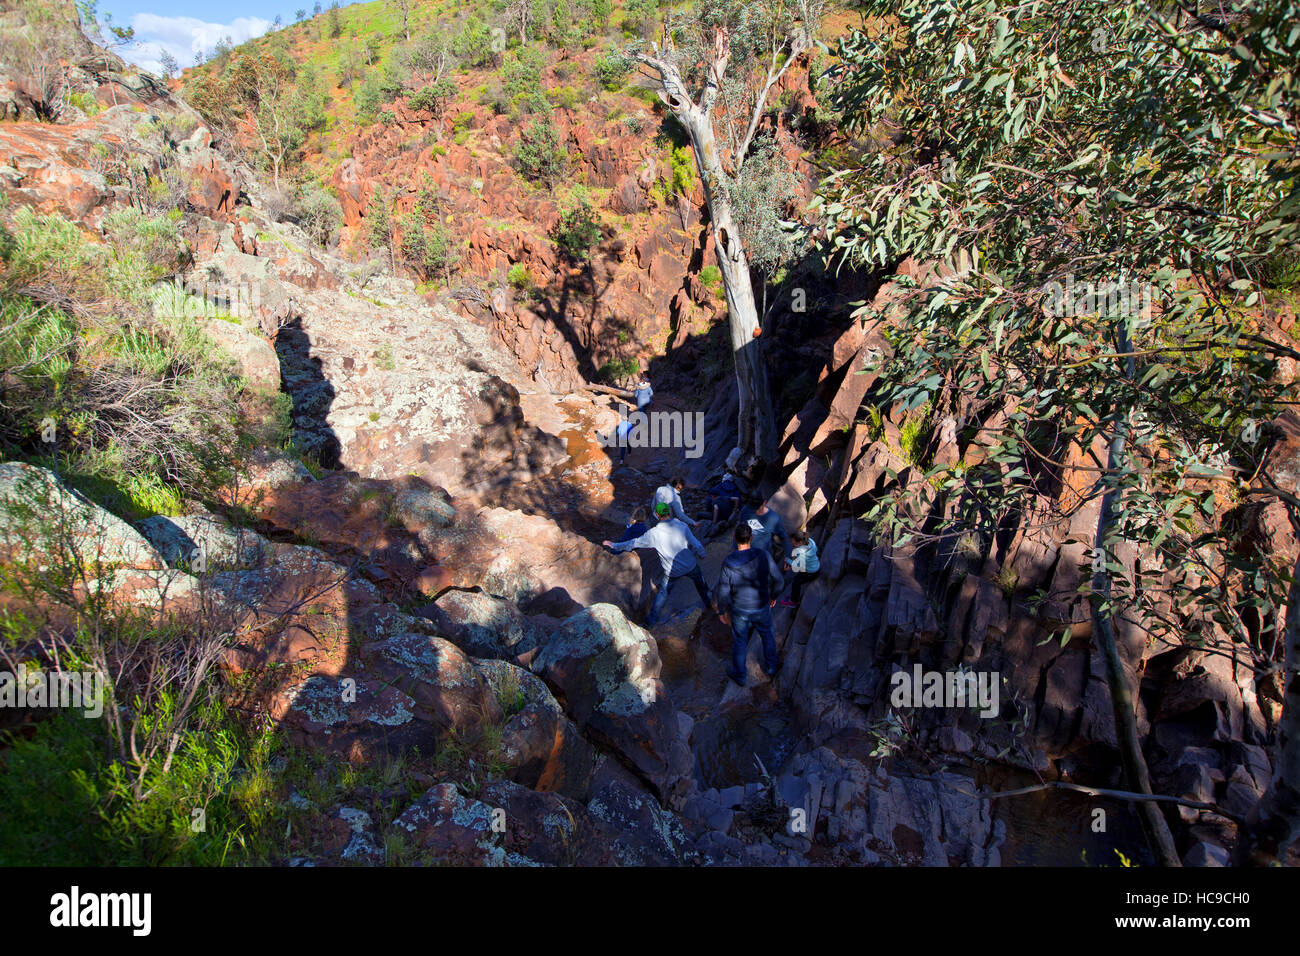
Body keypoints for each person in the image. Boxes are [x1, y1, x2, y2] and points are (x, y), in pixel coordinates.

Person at [604, 501, 710, 627]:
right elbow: (695, 543)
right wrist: (702, 554)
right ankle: (711, 606)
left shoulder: (654, 533)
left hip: (673, 571)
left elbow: (633, 543)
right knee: (702, 586)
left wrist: (614, 545)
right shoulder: (681, 525)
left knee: (662, 596)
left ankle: (650, 623)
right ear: (669, 513)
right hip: (691, 565)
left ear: (657, 515)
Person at [714, 522, 784, 686]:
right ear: (751, 538)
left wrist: (722, 611)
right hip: (761, 605)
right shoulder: (763, 555)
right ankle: (772, 667)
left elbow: (723, 591)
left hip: (740, 609)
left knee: (740, 641)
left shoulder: (729, 562)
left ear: (734, 538)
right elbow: (779, 580)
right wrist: (773, 596)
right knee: (767, 635)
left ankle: (740, 675)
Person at [736, 497, 788, 563]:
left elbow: (784, 537)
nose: (754, 510)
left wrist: (788, 555)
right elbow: (739, 528)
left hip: (763, 556)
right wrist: (734, 546)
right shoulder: (746, 510)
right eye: (752, 507)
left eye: (756, 508)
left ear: (764, 503)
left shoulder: (774, 518)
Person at [780, 529, 820, 608]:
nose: (792, 544)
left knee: (796, 583)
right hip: (816, 566)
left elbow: (797, 566)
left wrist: (788, 561)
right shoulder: (811, 541)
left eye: (793, 543)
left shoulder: (801, 552)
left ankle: (793, 602)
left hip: (810, 573)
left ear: (800, 543)